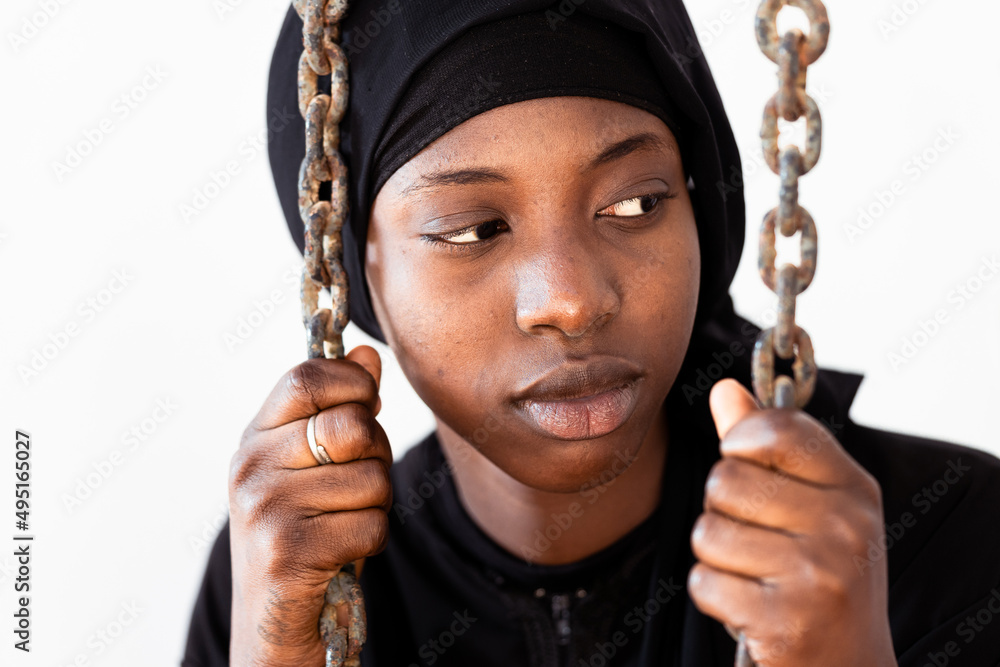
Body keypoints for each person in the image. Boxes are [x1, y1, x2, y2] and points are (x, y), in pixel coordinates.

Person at [182, 2, 1000, 666]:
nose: (570, 301)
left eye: (635, 204)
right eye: (474, 228)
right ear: (358, 270)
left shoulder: (943, 539)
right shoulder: (290, 577)